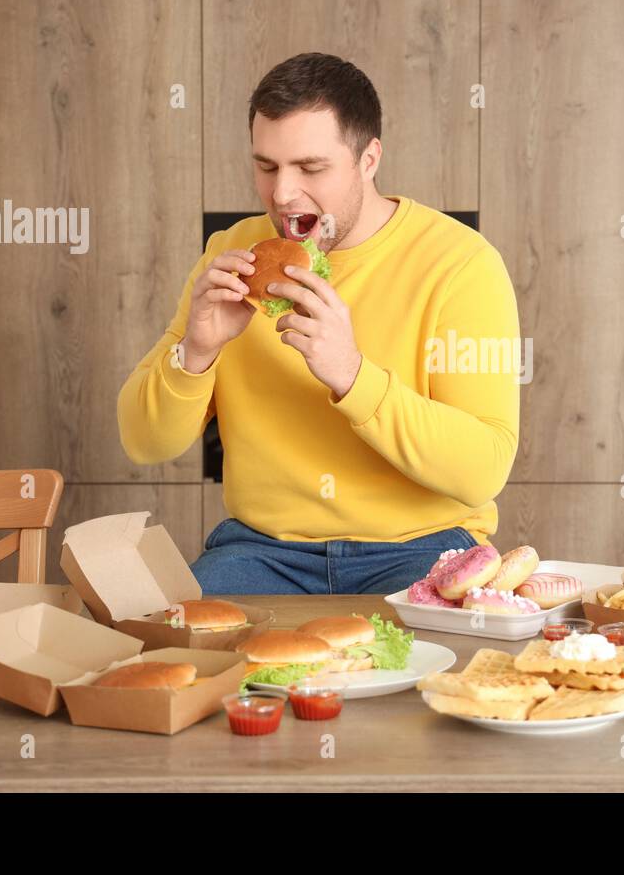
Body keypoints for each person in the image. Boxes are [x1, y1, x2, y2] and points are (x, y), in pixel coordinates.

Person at [117, 53, 521, 594]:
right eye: (266, 166)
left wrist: (354, 377)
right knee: (187, 655)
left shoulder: (461, 264)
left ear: (369, 158)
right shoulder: (232, 252)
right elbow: (144, 443)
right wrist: (197, 351)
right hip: (261, 553)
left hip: (422, 547)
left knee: (430, 665)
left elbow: (482, 470)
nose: (282, 193)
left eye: (310, 168)